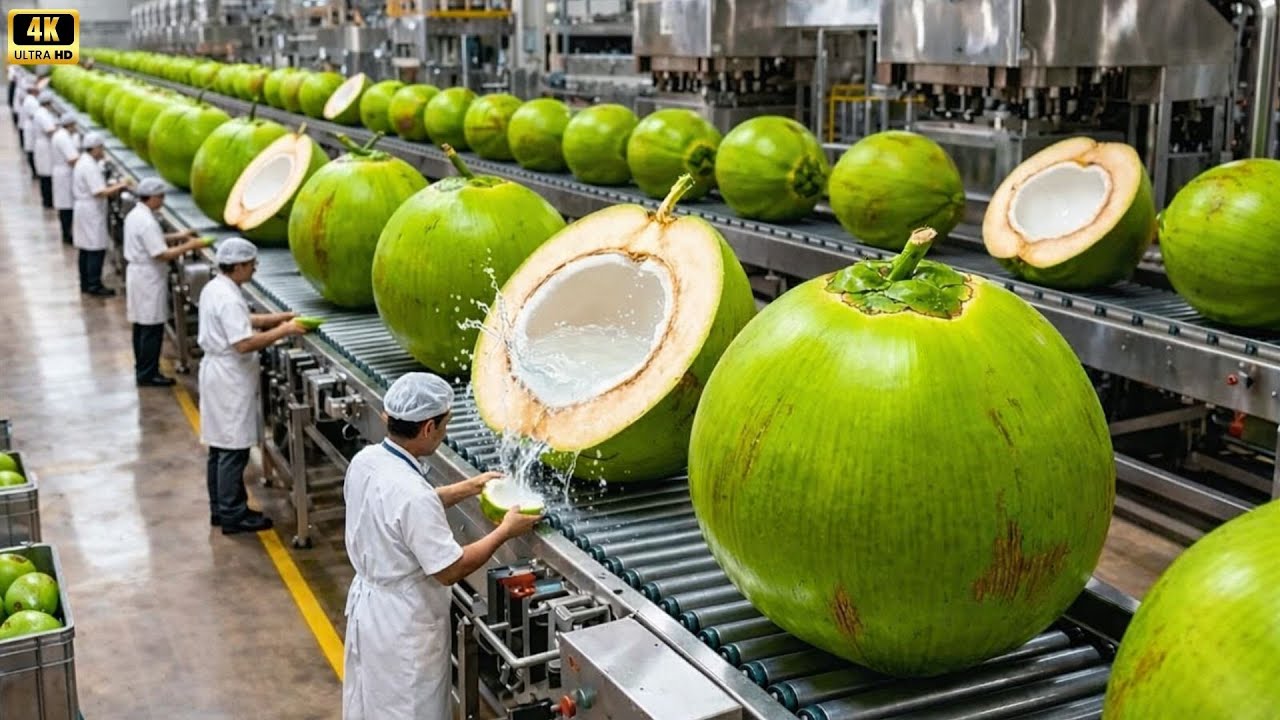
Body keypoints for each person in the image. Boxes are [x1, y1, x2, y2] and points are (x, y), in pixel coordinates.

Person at [341, 372, 543, 720]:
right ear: (428, 428)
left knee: (373, 704)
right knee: (409, 709)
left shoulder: (368, 460)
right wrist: (505, 531)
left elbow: (403, 511)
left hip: (372, 612)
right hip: (405, 624)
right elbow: (451, 569)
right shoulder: (412, 494)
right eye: (445, 424)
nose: (446, 431)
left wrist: (469, 487)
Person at [197, 237, 306, 534]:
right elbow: (243, 343)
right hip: (229, 379)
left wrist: (279, 318)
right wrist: (285, 330)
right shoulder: (228, 296)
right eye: (252, 265)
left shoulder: (216, 287)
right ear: (240, 265)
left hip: (218, 374)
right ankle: (234, 515)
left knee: (219, 449)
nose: (254, 270)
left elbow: (243, 320)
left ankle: (220, 509)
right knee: (233, 450)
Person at [123, 177, 209, 384]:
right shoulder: (146, 221)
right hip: (148, 279)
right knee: (151, 329)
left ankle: (142, 368)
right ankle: (148, 374)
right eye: (160, 197)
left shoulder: (137, 215)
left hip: (139, 276)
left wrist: (181, 235)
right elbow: (160, 254)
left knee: (141, 327)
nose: (162, 201)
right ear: (151, 197)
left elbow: (154, 239)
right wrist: (191, 245)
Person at [73, 133, 131, 296]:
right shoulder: (89, 166)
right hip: (91, 212)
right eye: (101, 148)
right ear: (96, 148)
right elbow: (99, 192)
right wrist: (122, 185)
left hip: (85, 210)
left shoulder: (84, 161)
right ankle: (94, 285)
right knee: (95, 249)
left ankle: (86, 283)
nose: (103, 151)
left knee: (85, 249)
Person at [51, 113, 80, 244]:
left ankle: (66, 232)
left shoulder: (61, 135)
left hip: (62, 173)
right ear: (70, 125)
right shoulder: (63, 137)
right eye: (74, 125)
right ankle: (67, 234)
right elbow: (72, 159)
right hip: (65, 175)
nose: (76, 127)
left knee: (65, 206)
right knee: (66, 207)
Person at [31, 90, 58, 209]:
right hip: (44, 146)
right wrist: (60, 130)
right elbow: (50, 130)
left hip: (43, 145)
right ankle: (48, 201)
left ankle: (47, 200)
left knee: (45, 174)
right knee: (46, 175)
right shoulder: (43, 114)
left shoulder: (41, 112)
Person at [20, 84, 40, 177]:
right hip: (31, 128)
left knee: (31, 150)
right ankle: (34, 172)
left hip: (30, 127)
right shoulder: (31, 101)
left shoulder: (30, 99)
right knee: (31, 151)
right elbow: (34, 115)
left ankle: (34, 171)